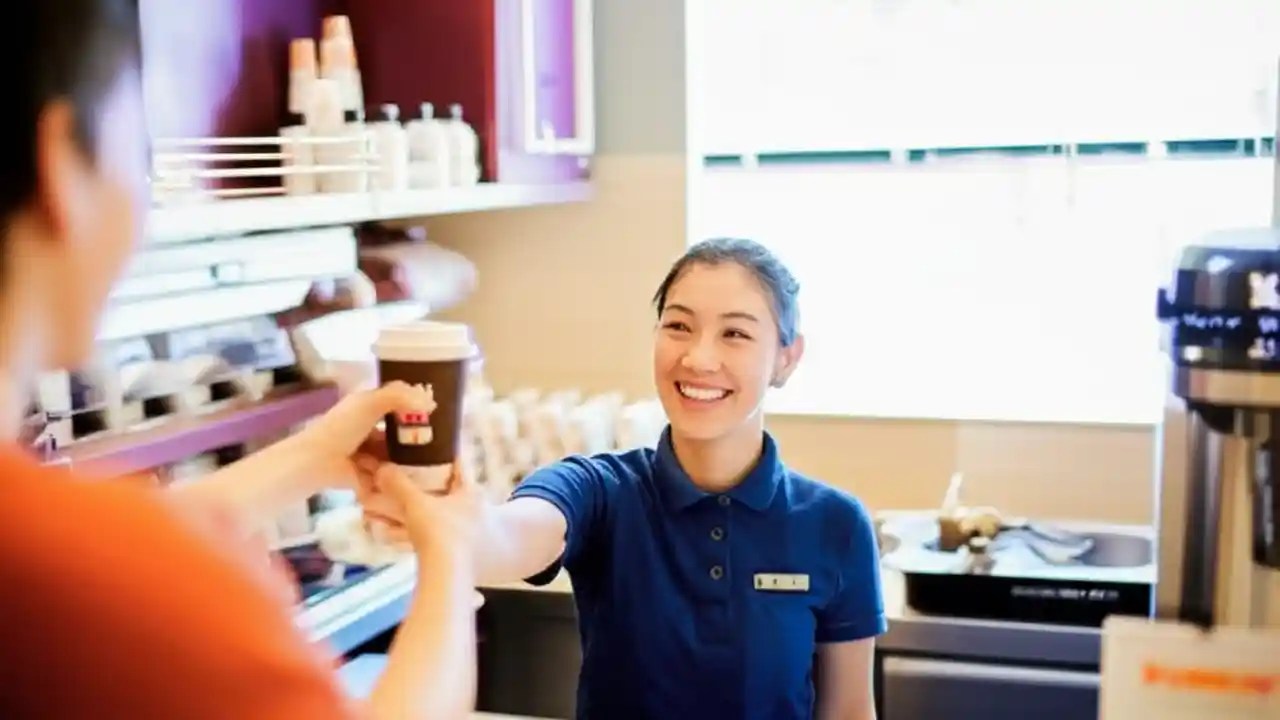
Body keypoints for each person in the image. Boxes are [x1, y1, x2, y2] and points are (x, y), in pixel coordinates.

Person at [0, 2, 479, 718]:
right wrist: (452, 558)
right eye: (141, 152)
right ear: (62, 164)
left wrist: (310, 458)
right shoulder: (168, 591)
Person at [365, 238, 887, 719]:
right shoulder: (600, 492)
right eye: (678, 326)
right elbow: (507, 538)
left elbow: (849, 713)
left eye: (735, 334)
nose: (698, 357)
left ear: (786, 359)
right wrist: (445, 518)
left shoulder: (835, 525)